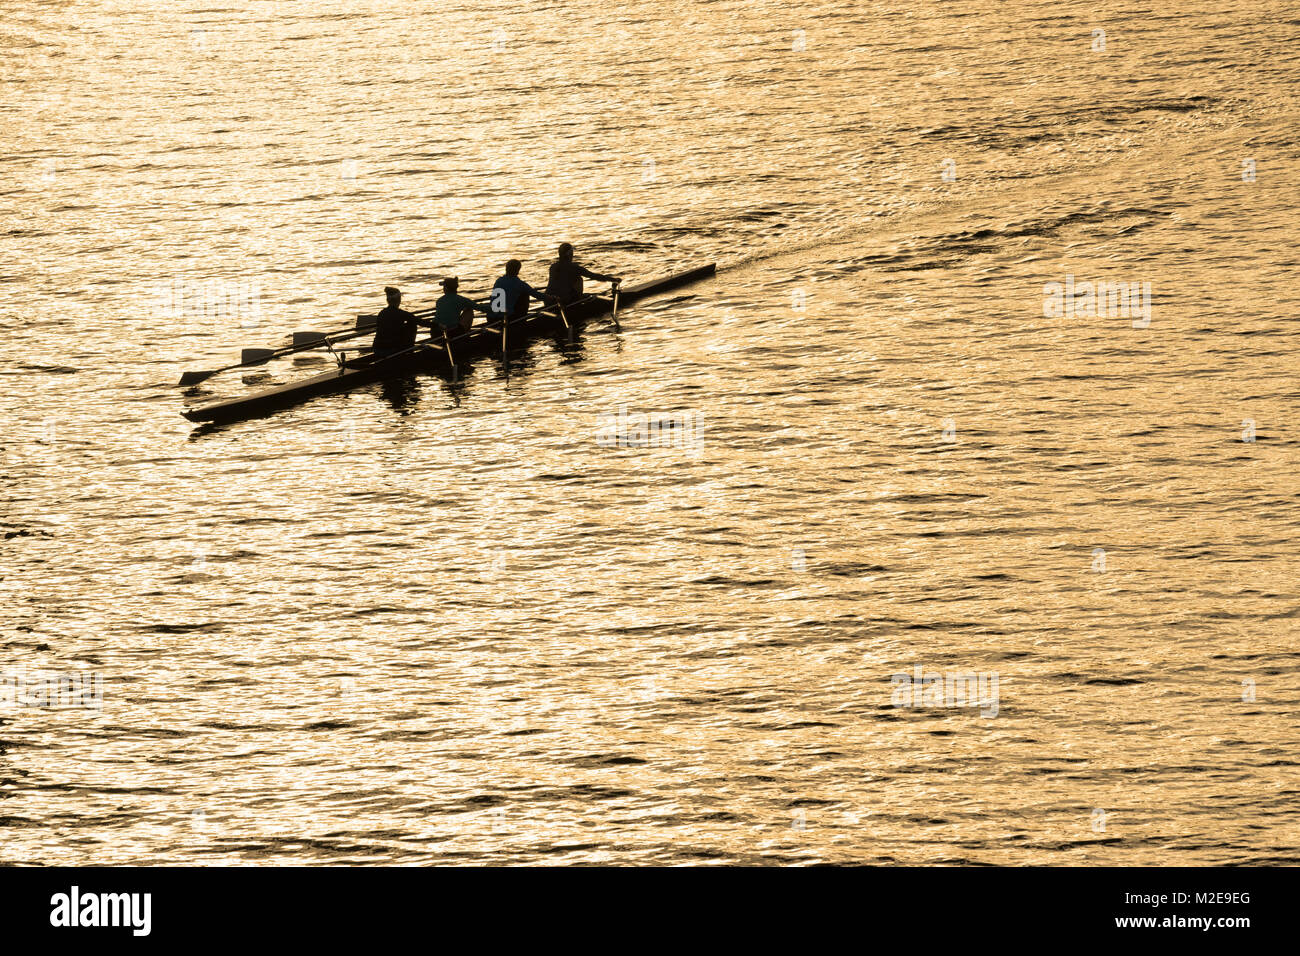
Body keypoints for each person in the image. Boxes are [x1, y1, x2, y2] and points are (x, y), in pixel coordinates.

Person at [545, 243, 621, 304]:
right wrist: (614, 279)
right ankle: (579, 300)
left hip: (548, 300)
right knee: (579, 279)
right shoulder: (574, 267)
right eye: (572, 252)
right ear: (569, 253)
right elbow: (594, 276)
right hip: (563, 301)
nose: (573, 255)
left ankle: (580, 297)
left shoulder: (552, 267)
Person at [372, 286, 432, 357]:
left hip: (377, 349)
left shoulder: (381, 313)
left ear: (387, 301)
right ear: (399, 300)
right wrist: (438, 325)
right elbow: (420, 322)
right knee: (412, 323)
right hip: (392, 349)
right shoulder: (401, 314)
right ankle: (409, 351)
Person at [489, 259, 553, 325]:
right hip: (506, 318)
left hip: (491, 317)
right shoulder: (519, 284)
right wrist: (552, 298)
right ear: (518, 271)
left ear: (506, 269)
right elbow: (537, 295)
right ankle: (522, 323)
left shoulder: (498, 281)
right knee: (524, 293)